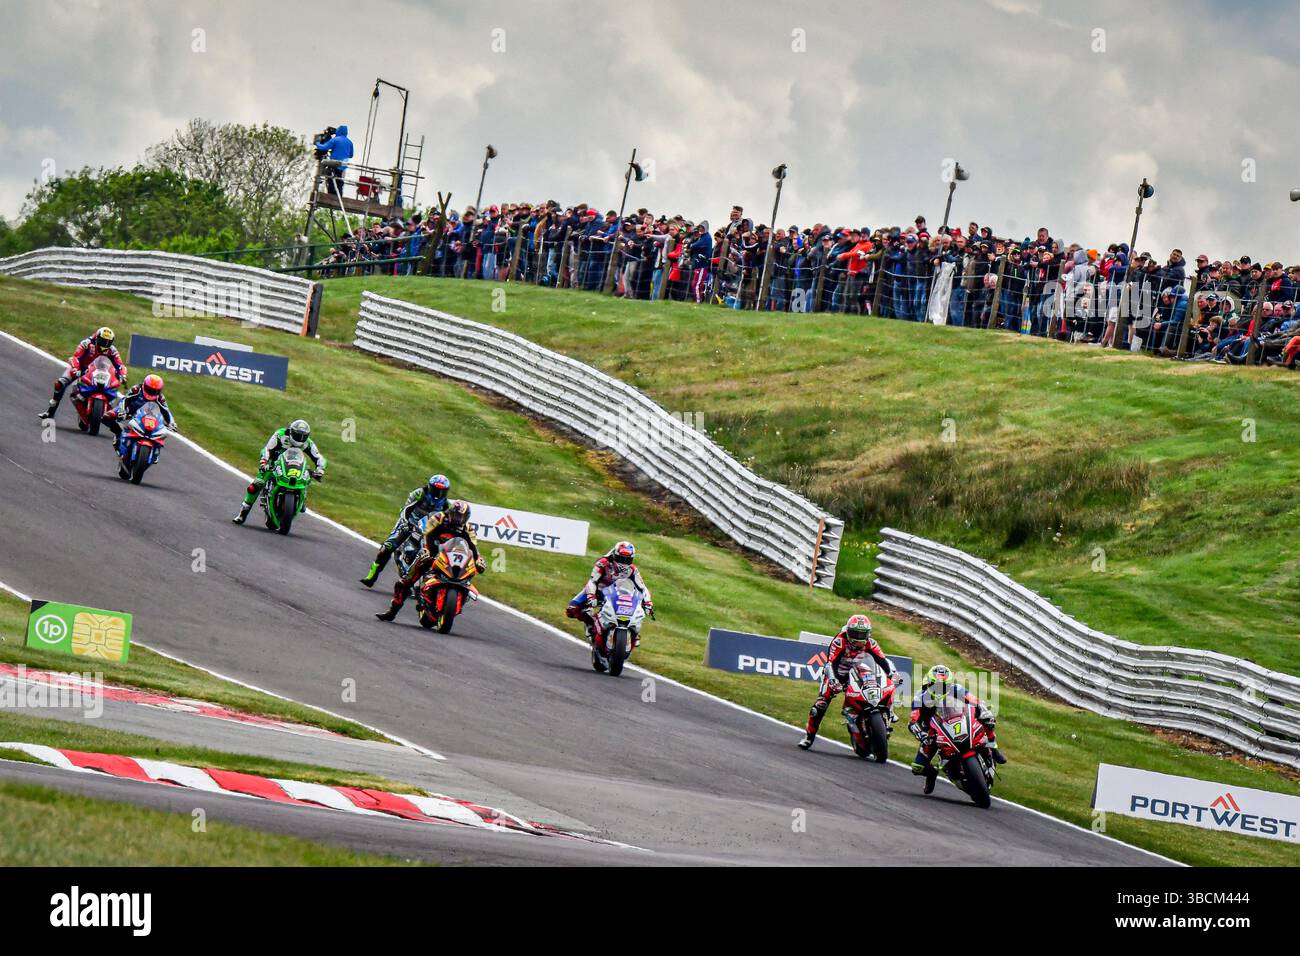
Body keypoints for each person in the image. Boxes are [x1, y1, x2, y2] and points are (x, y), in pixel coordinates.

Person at [798, 614, 898, 750]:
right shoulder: (839, 641)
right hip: (838, 674)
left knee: (887, 686)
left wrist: (891, 674)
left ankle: (889, 712)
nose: (858, 638)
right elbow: (830, 664)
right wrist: (834, 681)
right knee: (820, 705)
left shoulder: (871, 643)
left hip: (860, 671)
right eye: (856, 634)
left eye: (862, 634)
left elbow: (882, 660)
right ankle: (809, 737)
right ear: (849, 632)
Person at [376, 500, 486, 621]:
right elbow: (426, 535)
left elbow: (473, 547)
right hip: (433, 552)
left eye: (461, 517)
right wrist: (426, 549)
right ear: (450, 512)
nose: (458, 519)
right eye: (456, 515)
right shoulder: (438, 518)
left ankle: (460, 596)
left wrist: (478, 559)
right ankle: (393, 610)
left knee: (471, 571)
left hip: (453, 557)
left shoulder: (468, 528)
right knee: (406, 580)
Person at [907, 664, 1006, 794]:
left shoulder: (957, 689)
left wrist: (983, 711)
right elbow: (913, 720)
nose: (939, 689)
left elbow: (975, 701)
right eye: (935, 685)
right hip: (933, 732)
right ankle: (932, 774)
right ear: (929, 684)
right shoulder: (919, 698)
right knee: (917, 767)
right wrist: (921, 734)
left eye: (943, 686)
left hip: (958, 721)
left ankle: (993, 747)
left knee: (986, 720)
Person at [360, 474, 452, 586]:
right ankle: (372, 575)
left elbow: (447, 522)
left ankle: (425, 584)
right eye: (436, 490)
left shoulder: (447, 505)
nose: (438, 494)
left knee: (437, 554)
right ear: (430, 487)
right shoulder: (419, 494)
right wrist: (406, 523)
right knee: (388, 546)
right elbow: (406, 509)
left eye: (442, 491)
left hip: (429, 530)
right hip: (410, 523)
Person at [231, 419, 326, 524]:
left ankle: (302, 499)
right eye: (298, 435)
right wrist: (264, 462)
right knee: (257, 484)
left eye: (303, 436)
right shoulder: (280, 435)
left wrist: (320, 469)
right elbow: (267, 449)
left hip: (294, 467)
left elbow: (319, 457)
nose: (301, 439)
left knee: (307, 477)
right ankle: (242, 513)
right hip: (274, 463)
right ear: (290, 431)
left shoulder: (308, 443)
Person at [564, 541, 653, 643]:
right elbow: (592, 582)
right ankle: (590, 622)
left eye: (627, 560)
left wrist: (648, 602)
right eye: (621, 559)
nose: (623, 563)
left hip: (616, 594)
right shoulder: (603, 563)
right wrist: (591, 595)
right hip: (597, 591)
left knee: (635, 609)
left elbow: (642, 588)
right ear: (615, 555)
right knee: (571, 610)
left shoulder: (632, 570)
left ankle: (633, 633)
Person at [38, 327, 127, 420]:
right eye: (103, 341)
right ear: (97, 338)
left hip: (100, 371)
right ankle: (50, 411)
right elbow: (76, 357)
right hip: (81, 368)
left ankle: (114, 416)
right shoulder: (86, 344)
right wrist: (76, 369)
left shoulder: (112, 350)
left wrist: (123, 375)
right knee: (60, 383)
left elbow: (120, 365)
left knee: (115, 386)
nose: (105, 344)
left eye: (108, 342)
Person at [106, 373, 176, 439]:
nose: (151, 392)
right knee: (106, 417)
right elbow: (125, 400)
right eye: (150, 389)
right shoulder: (136, 389)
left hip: (150, 416)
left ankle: (152, 439)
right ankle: (119, 431)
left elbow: (166, 411)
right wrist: (122, 410)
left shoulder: (160, 398)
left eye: (154, 391)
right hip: (130, 410)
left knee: (162, 431)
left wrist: (171, 423)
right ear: (144, 385)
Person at [315, 124, 354, 197]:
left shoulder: (336, 139)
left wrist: (317, 143)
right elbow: (351, 155)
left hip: (334, 163)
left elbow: (324, 147)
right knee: (339, 179)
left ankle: (321, 180)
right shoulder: (350, 142)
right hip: (343, 165)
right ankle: (339, 194)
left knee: (327, 171)